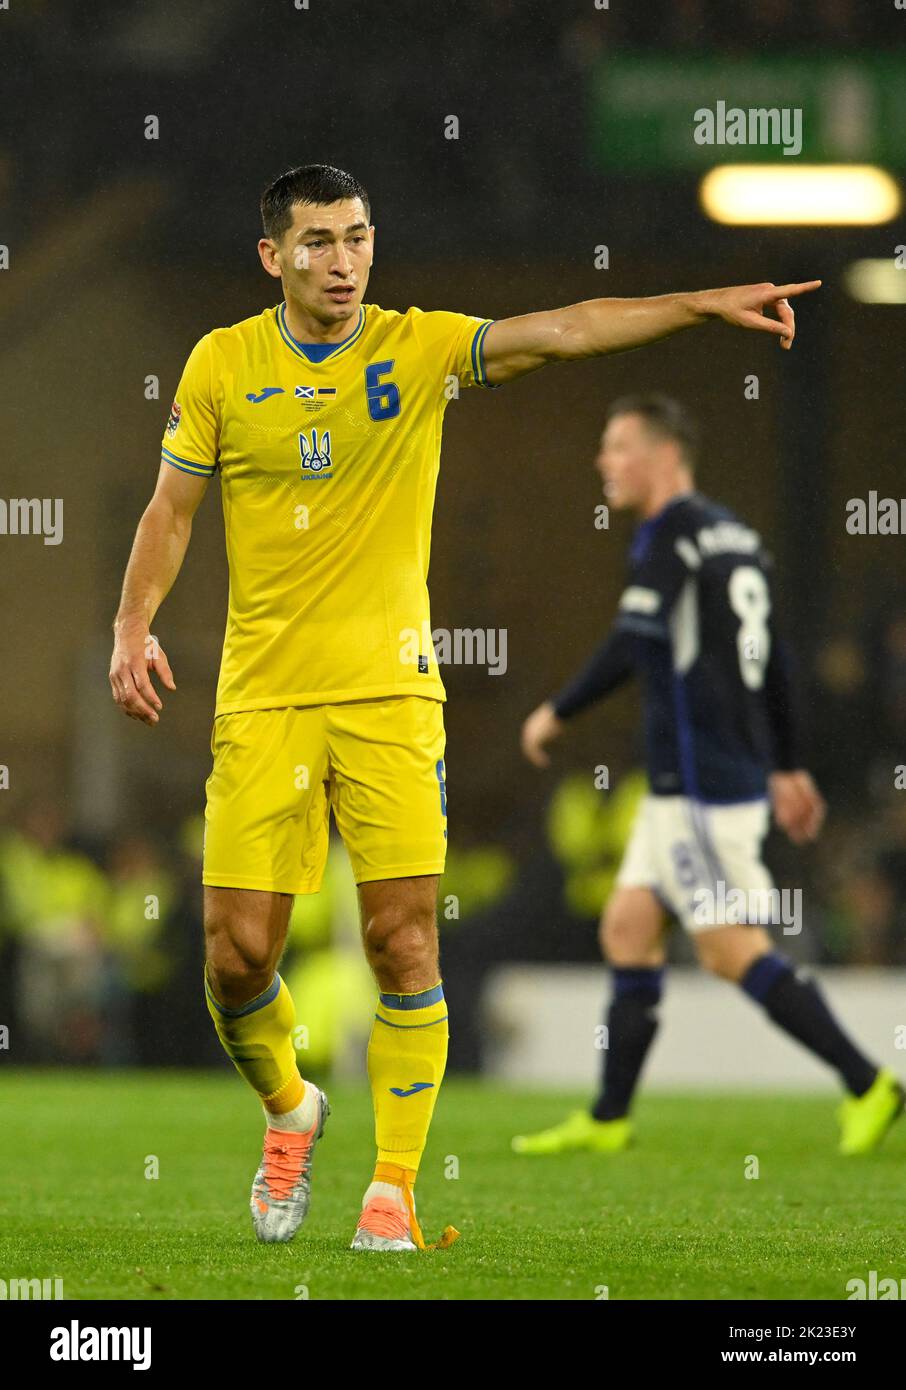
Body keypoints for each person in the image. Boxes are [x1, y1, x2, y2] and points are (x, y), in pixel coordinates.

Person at [108, 162, 820, 1251]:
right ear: (273, 257)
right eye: (318, 243)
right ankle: (292, 1109)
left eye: (358, 237)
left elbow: (566, 329)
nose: (343, 261)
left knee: (403, 944)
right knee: (235, 954)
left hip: (394, 693)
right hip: (264, 696)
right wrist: (131, 626)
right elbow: (170, 510)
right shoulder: (220, 364)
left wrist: (694, 305)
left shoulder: (421, 345)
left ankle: (390, 1186)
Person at [515, 395, 903, 1159]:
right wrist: (788, 763)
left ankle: (867, 1082)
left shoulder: (672, 536)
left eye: (618, 446)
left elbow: (633, 639)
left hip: (699, 788)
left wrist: (556, 712)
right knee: (628, 928)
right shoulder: (735, 535)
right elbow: (776, 663)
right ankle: (608, 1117)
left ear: (664, 457)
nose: (604, 462)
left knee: (732, 952)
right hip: (694, 787)